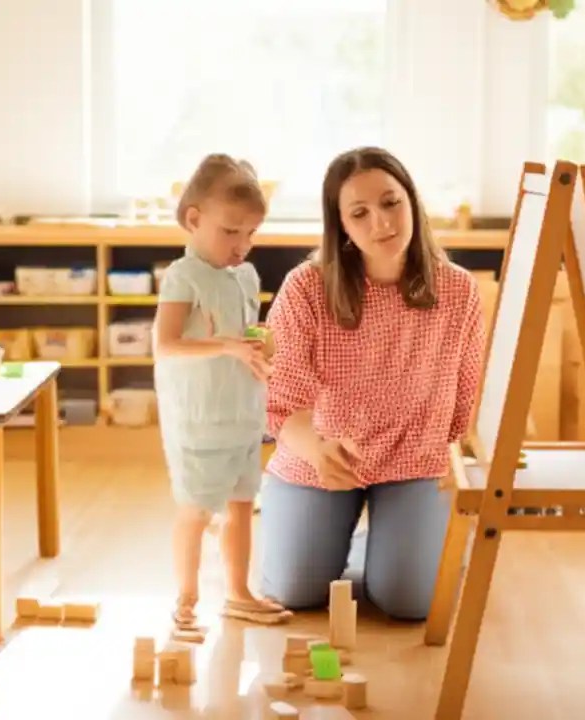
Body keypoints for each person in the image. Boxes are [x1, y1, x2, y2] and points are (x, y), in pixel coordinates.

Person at [259, 146, 485, 621]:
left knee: (411, 603)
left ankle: (391, 549)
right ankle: (353, 541)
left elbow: (466, 397)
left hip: (415, 460)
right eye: (359, 213)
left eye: (390, 202)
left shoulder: (459, 290)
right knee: (295, 592)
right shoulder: (305, 288)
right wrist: (317, 450)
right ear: (341, 224)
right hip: (325, 458)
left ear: (411, 201)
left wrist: (459, 461)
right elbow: (282, 404)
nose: (381, 222)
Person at [154, 154, 291, 629]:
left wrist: (261, 344)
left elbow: (248, 335)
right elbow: (167, 344)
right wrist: (228, 345)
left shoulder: (246, 277)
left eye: (251, 233)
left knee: (240, 507)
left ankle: (238, 592)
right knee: (195, 510)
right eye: (231, 231)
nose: (242, 245)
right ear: (194, 219)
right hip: (199, 421)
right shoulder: (183, 277)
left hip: (242, 416)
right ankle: (186, 600)